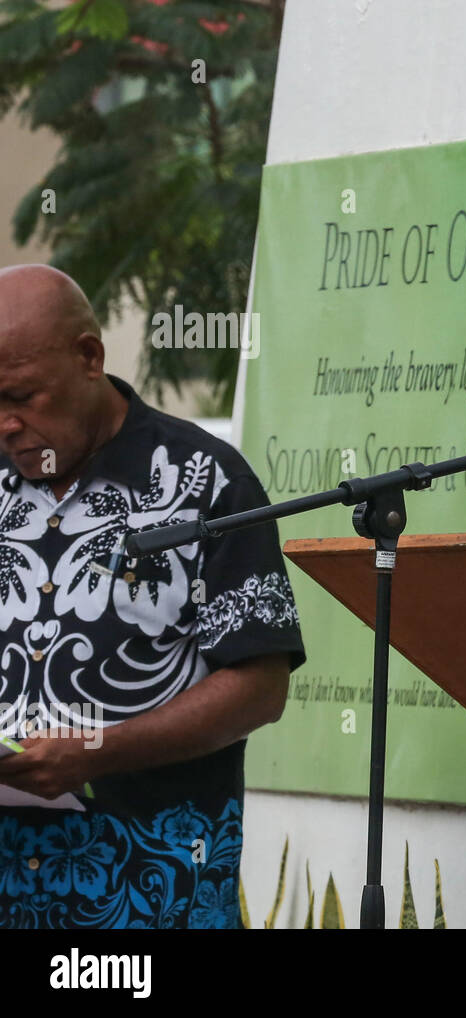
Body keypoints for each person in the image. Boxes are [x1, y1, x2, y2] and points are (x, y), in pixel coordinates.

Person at [0, 264, 304, 928]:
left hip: (155, 885)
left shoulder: (206, 480)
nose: (7, 424)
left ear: (89, 357)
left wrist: (95, 749)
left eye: (21, 396)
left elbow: (260, 684)